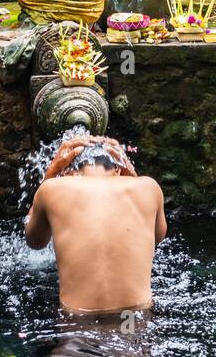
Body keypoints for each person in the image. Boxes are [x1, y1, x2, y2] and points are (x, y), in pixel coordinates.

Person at [25, 135, 167, 315]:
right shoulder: (149, 187)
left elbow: (34, 241)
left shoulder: (52, 188)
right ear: (117, 169)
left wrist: (50, 174)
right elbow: (156, 237)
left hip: (77, 322)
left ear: (72, 173)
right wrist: (131, 174)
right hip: (136, 319)